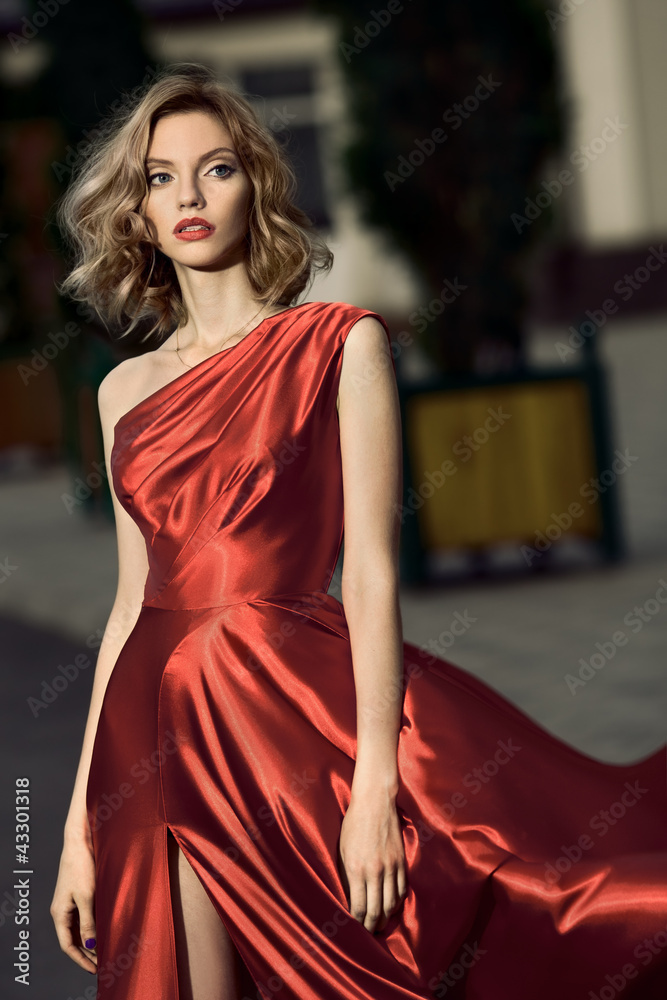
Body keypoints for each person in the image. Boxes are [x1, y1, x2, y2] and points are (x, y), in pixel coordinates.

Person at [50, 63, 666, 1000]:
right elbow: (130, 603)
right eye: (158, 177)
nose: (187, 196)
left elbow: (372, 575)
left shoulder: (338, 342)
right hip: (144, 739)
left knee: (489, 913)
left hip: (281, 717)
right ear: (133, 210)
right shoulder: (119, 391)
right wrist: (70, 831)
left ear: (255, 182)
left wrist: (374, 783)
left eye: (214, 169)